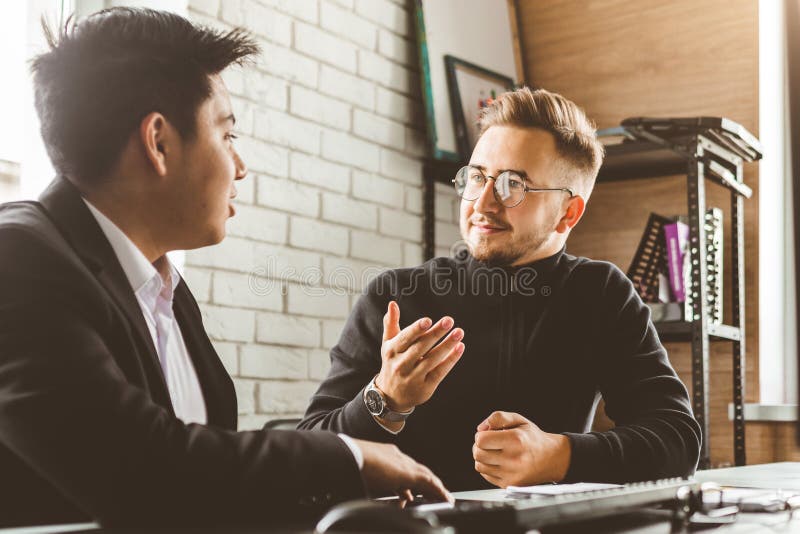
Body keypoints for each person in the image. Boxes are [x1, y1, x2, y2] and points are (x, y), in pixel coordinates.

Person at [0, 7, 449, 528]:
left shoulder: (161, 286)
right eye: (227, 135)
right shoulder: (17, 261)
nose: (240, 167)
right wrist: (354, 458)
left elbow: (209, 482)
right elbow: (145, 470)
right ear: (159, 142)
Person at [299, 87, 702, 491]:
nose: (483, 203)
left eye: (514, 185)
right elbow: (310, 454)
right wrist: (385, 400)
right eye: (477, 177)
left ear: (568, 212)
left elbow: (678, 440)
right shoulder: (396, 296)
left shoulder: (601, 295)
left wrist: (559, 455)